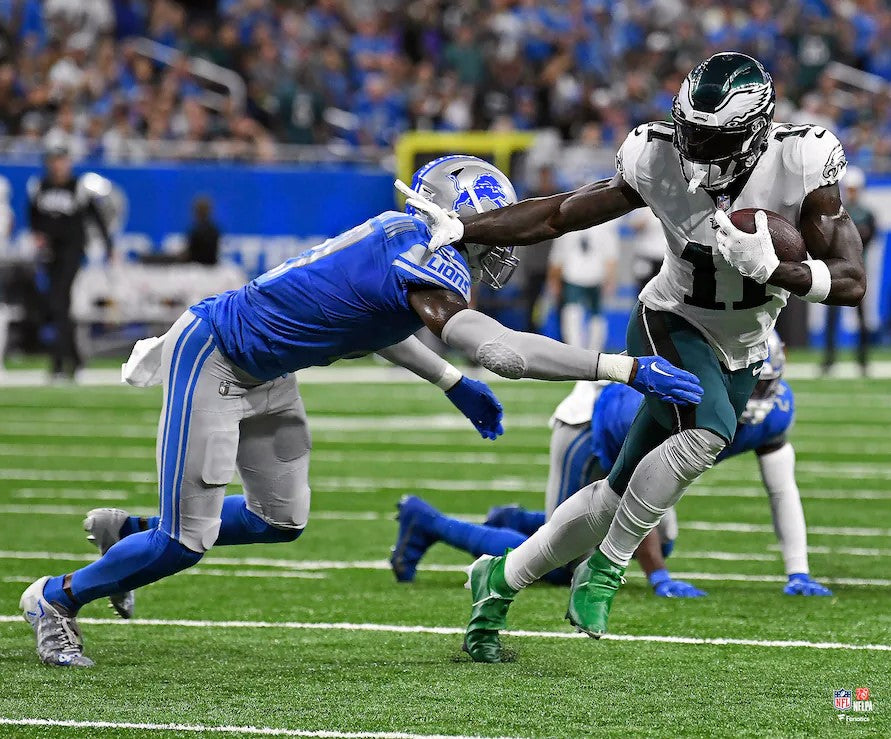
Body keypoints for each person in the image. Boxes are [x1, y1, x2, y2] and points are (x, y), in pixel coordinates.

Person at [20, 154, 702, 667]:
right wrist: (624, 367)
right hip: (218, 354)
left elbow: (379, 321)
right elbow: (497, 350)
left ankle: (131, 531)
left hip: (266, 368)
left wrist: (446, 382)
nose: (498, 238)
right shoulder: (420, 255)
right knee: (186, 538)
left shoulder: (403, 243)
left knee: (278, 518)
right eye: (485, 222)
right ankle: (56, 596)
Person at [407, 52, 865, 662]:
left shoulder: (802, 161)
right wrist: (469, 229)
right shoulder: (655, 154)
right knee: (710, 431)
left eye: (711, 137)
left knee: (611, 499)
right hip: (669, 320)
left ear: (755, 130)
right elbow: (560, 213)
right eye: (689, 130)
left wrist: (776, 268)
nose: (694, 148)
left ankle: (498, 580)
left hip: (745, 344)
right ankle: (606, 571)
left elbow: (852, 281)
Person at [391, 332, 832, 598]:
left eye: (763, 384)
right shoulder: (677, 399)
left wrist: (798, 572)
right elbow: (633, 481)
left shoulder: (776, 412)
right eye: (744, 385)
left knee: (650, 541)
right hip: (591, 426)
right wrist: (658, 576)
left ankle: (515, 519)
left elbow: (782, 488)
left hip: (642, 440)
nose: (751, 399)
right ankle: (428, 523)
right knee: (562, 559)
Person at [27, 144, 113, 380]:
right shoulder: (40, 187)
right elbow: (34, 217)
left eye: (61, 160)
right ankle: (73, 359)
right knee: (59, 305)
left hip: (72, 251)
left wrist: (109, 247)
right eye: (54, 160)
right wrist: (38, 236)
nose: (58, 165)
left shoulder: (78, 188)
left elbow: (97, 219)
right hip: (50, 253)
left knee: (58, 302)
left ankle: (58, 362)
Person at [822, 166, 875, 376]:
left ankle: (862, 360)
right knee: (832, 317)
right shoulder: (836, 212)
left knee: (862, 317)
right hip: (837, 271)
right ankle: (829, 359)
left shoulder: (866, 214)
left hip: (858, 271)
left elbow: (869, 240)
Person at [547, 221, 617, 351]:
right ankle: (588, 350)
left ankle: (580, 349)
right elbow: (610, 254)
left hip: (582, 275)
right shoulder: (603, 223)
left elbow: (558, 255)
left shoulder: (570, 222)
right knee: (582, 313)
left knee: (581, 313)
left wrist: (554, 279)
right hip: (583, 274)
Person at [185, 196, 220, 266]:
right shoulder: (214, 230)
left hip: (197, 269)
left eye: (199, 210)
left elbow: (193, 255)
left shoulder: (197, 232)